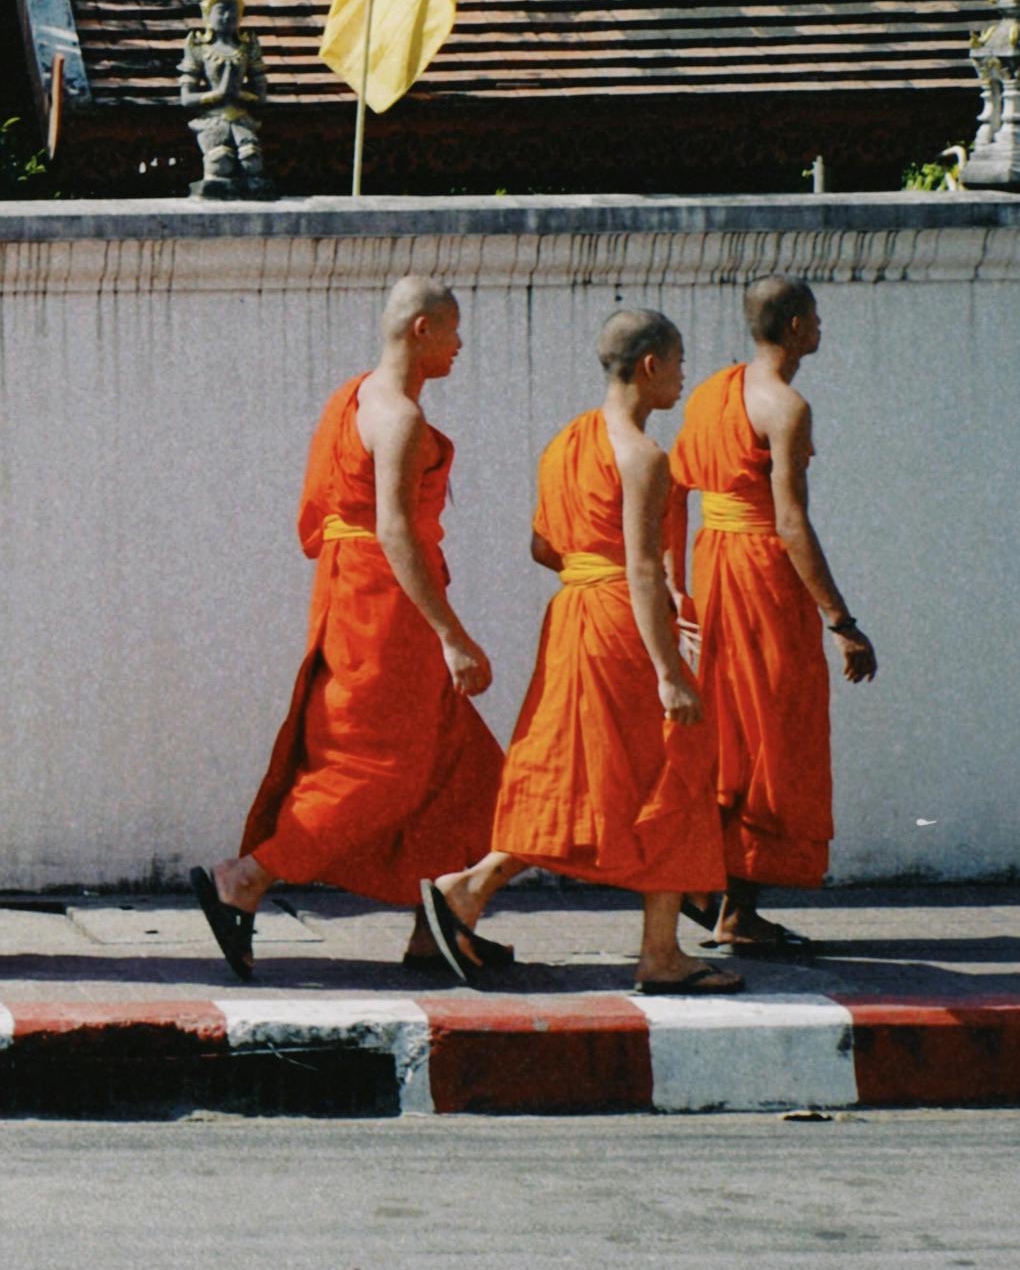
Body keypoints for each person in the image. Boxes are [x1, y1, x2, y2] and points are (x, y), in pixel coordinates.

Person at [189, 277, 504, 981]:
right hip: (385, 607)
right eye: (452, 330)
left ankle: (435, 932)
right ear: (421, 329)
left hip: (351, 589)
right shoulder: (397, 418)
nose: (460, 345)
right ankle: (248, 876)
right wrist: (451, 634)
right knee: (378, 771)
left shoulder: (352, 396)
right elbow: (395, 529)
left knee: (467, 771)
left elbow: (321, 516)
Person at [422, 310, 735, 995]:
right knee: (674, 768)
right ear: (650, 365)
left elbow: (543, 547)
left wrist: (591, 573)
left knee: (574, 775)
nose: (684, 377)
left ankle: (468, 889)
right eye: (678, 363)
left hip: (571, 616)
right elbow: (647, 569)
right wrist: (668, 674)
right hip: (624, 622)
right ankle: (660, 954)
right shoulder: (644, 456)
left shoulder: (566, 443)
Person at [670, 276, 878, 955]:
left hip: (713, 563)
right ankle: (735, 909)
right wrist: (841, 620)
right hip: (761, 571)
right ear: (792, 325)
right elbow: (791, 521)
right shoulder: (786, 405)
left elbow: (675, 490)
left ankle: (717, 892)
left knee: (735, 722)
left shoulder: (709, 392)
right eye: (814, 318)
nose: (821, 328)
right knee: (771, 731)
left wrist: (677, 582)